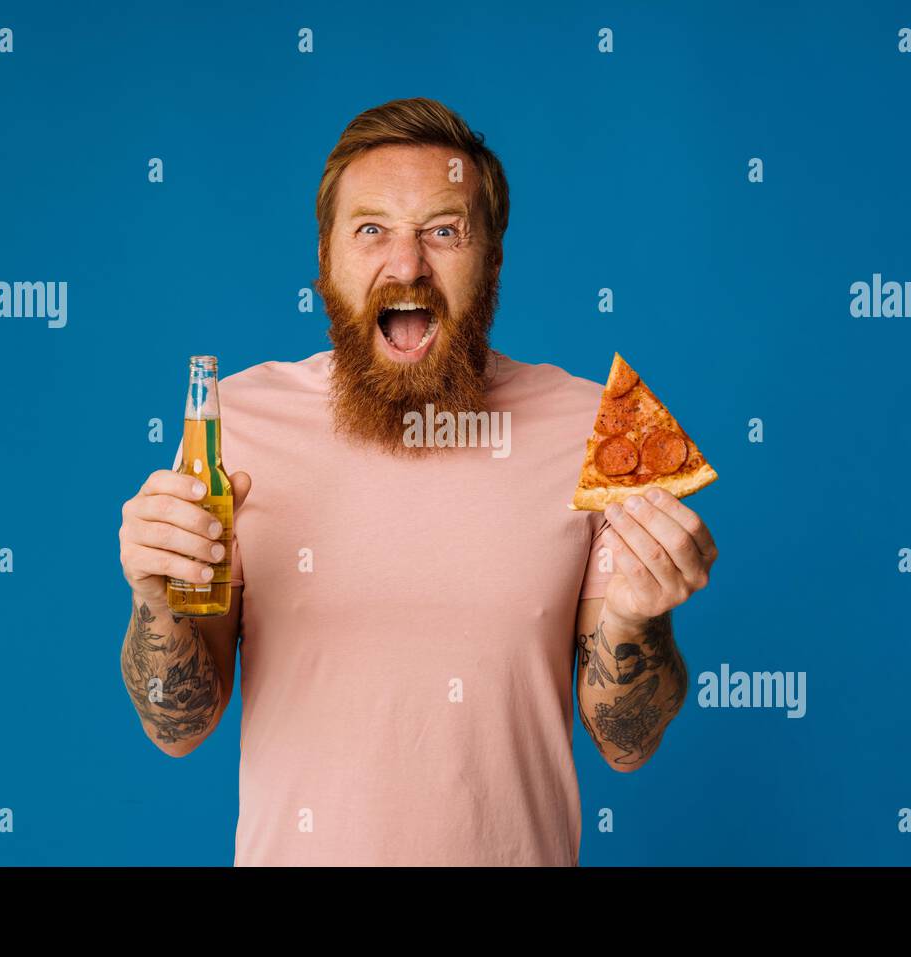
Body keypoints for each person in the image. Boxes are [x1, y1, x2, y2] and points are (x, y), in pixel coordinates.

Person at [117, 98, 718, 866]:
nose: (406, 264)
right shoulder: (232, 423)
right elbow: (179, 725)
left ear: (493, 259)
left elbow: (626, 741)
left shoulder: (592, 430)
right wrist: (152, 598)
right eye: (371, 229)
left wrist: (639, 621)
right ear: (327, 262)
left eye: (443, 230)